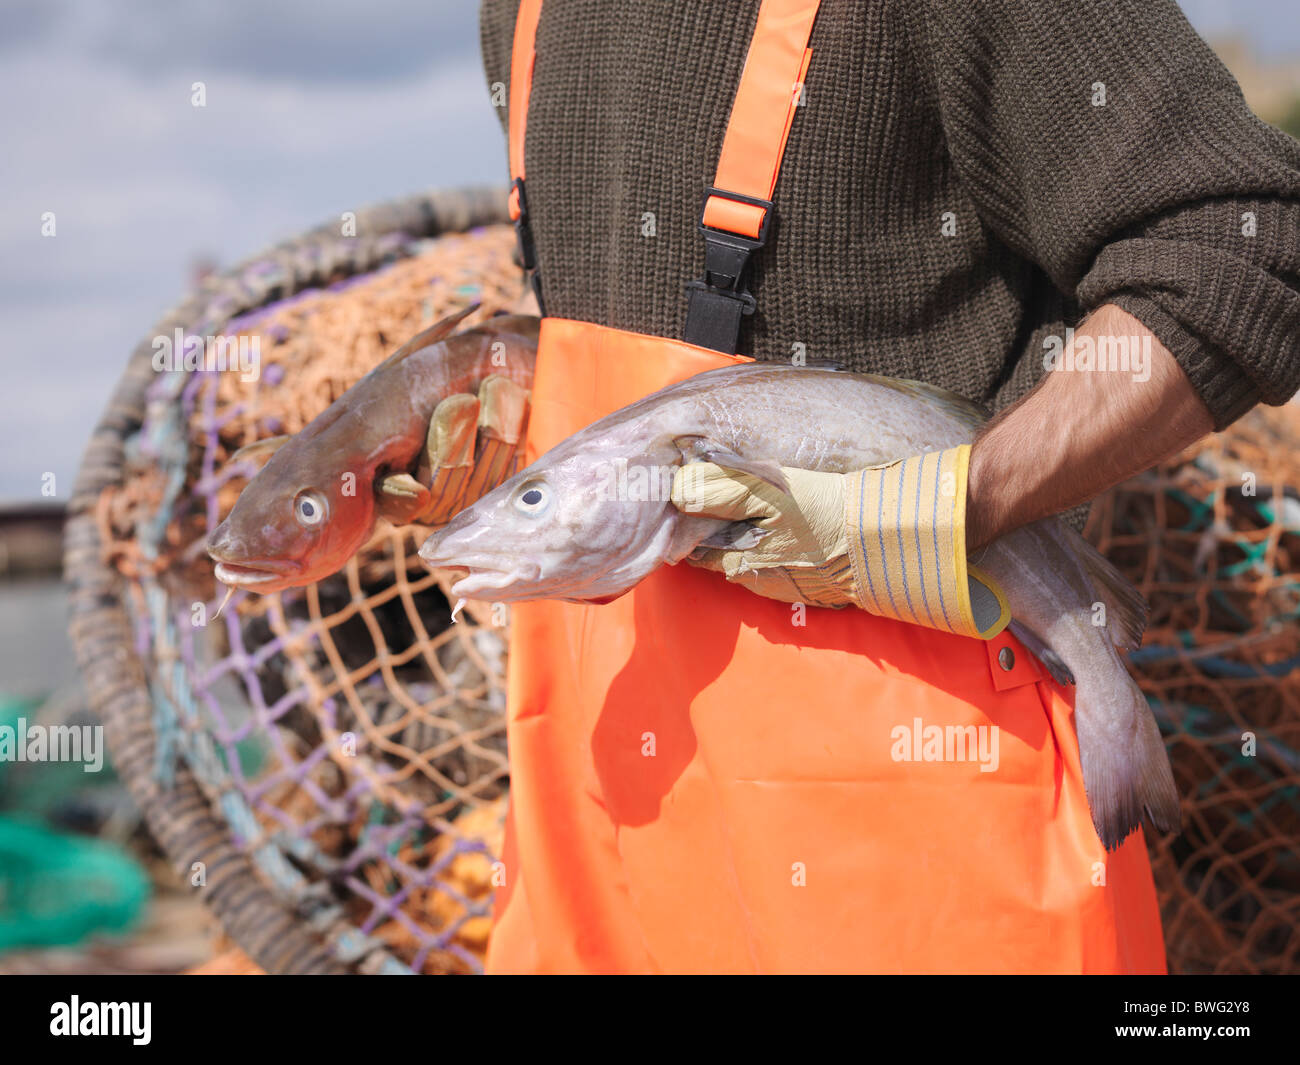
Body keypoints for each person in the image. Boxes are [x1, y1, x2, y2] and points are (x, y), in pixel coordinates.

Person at [458, 0, 1300, 973]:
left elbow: (1239, 249)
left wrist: (950, 507)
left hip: (903, 853)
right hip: (602, 840)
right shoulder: (515, 15)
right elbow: (623, 299)